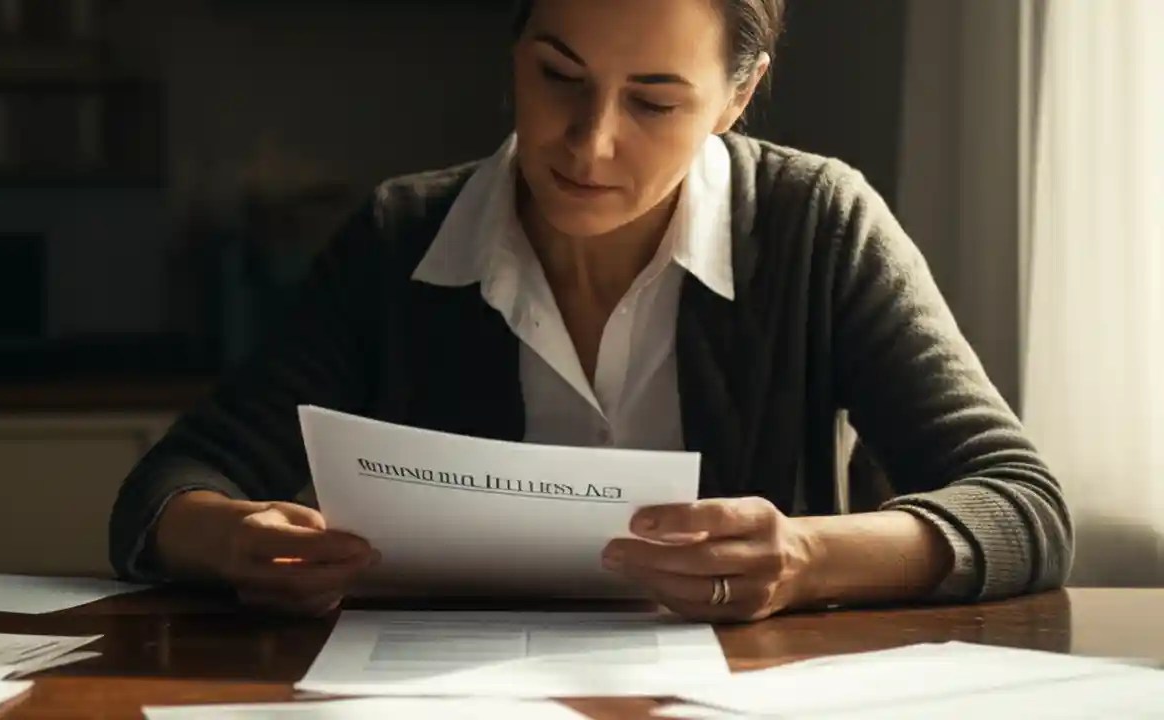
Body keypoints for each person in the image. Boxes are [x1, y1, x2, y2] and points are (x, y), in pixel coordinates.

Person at [109, 0, 1072, 622]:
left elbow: (1021, 506)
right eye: (559, 78)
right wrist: (237, 541)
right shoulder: (400, 236)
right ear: (514, 53)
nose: (590, 144)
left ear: (735, 99)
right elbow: (167, 493)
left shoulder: (817, 225)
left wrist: (806, 555)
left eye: (654, 102)